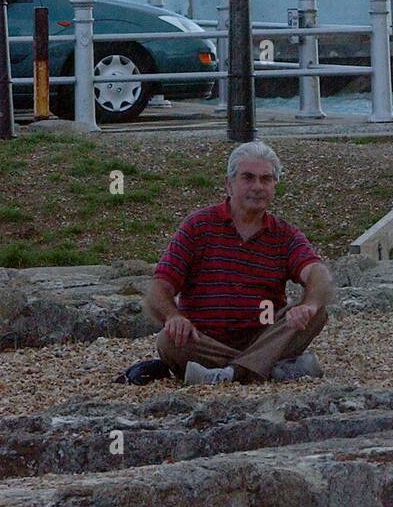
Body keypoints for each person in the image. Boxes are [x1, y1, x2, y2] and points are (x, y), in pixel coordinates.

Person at [143, 141, 333, 386]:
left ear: (275, 185)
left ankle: (228, 375)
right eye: (248, 178)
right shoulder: (198, 226)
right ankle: (267, 368)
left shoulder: (285, 235)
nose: (257, 186)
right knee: (168, 341)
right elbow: (159, 287)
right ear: (229, 184)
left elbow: (318, 275)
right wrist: (173, 316)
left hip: (264, 335)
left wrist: (309, 305)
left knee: (317, 313)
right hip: (206, 341)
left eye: (266, 179)